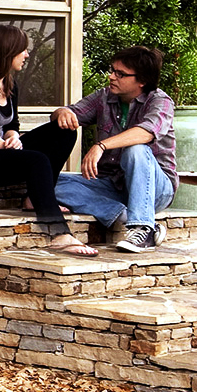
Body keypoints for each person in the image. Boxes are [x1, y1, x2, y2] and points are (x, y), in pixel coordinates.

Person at [0, 22, 95, 256]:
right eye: (22, 49)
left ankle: (33, 200)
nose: (27, 54)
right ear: (6, 51)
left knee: (64, 131)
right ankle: (58, 233)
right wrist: (8, 145)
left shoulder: (8, 82)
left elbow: (12, 125)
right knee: (36, 160)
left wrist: (13, 138)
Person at [52, 46, 177, 252]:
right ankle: (132, 217)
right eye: (112, 70)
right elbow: (70, 111)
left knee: (135, 149)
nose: (111, 77)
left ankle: (141, 228)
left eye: (120, 74)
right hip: (112, 185)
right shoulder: (104, 97)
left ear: (142, 81)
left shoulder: (160, 101)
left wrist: (101, 145)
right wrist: (62, 113)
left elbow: (145, 133)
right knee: (49, 181)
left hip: (156, 188)